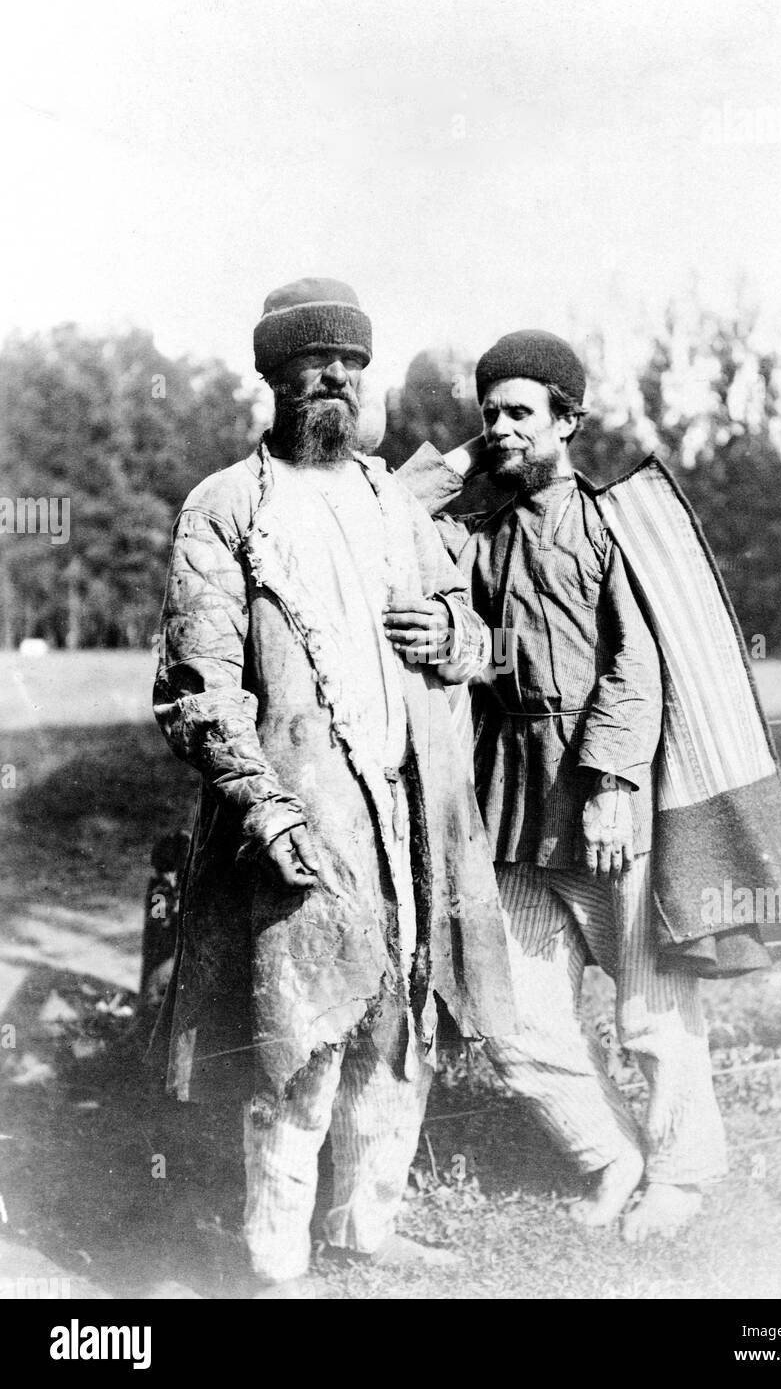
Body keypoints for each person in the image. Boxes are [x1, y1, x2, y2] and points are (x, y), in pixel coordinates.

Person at [396, 329, 781, 1242]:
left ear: (568, 420)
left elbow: (637, 662)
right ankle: (611, 1156)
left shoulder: (611, 524)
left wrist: (616, 781)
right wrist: (455, 640)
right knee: (511, 1018)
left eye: (520, 413)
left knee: (650, 1009)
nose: (500, 428)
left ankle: (683, 1175)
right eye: (488, 412)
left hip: (603, 795)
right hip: (506, 804)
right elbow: (447, 596)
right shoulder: (471, 529)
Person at [151, 278, 515, 1295]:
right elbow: (195, 688)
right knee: (298, 1034)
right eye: (309, 361)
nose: (333, 377)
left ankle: (366, 1231)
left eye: (350, 360)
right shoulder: (226, 507)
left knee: (396, 1030)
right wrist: (266, 810)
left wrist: (454, 637)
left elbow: (468, 634)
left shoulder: (394, 504)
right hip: (298, 817)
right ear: (270, 376)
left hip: (408, 816)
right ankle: (274, 1257)